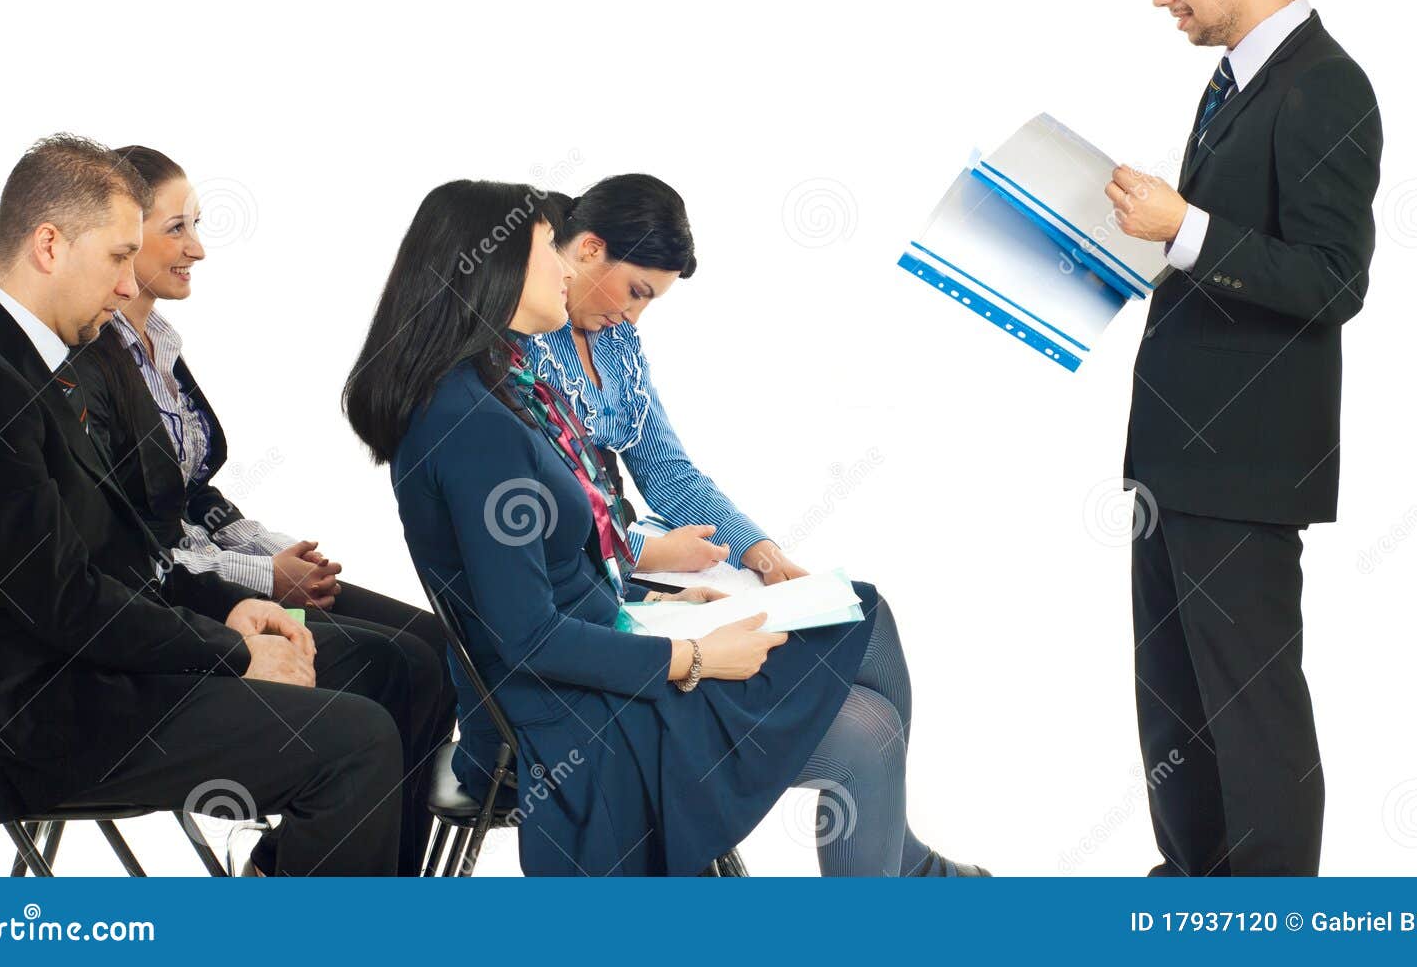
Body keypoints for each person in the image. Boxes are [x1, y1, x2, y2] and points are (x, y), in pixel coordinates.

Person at [345, 179, 987, 877]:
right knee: (865, 732)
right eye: (547, 252)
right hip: (574, 719)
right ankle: (908, 889)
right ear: (492, 267)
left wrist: (662, 603)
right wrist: (696, 656)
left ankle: (908, 871)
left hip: (604, 658)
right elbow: (529, 637)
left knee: (863, 613)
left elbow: (562, 559)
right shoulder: (478, 422)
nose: (564, 265)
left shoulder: (496, 386)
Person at [0, 134, 409, 875]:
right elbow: (67, 601)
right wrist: (231, 651)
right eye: (120, 257)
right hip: (38, 720)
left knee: (389, 673)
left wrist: (226, 611)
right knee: (357, 745)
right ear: (50, 245)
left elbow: (114, 554)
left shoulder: (26, 362)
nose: (129, 287)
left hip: (86, 675)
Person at [1106, 0, 1382, 875]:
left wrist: (1185, 231)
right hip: (1175, 456)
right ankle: (1192, 891)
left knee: (1249, 706)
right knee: (1173, 696)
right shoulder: (1234, 82)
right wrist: (1149, 243)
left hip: (1244, 462)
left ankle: (1270, 918)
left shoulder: (1325, 87)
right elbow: (1231, 254)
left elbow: (1330, 279)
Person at [73, 146, 456, 870]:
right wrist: (259, 577)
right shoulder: (89, 367)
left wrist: (278, 553)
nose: (198, 247)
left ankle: (356, 879)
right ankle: (311, 878)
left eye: (199, 224)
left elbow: (193, 495)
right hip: (183, 602)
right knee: (397, 672)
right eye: (175, 228)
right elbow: (144, 540)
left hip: (221, 566)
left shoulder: (159, 347)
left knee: (434, 646)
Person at [524, 174, 807, 584]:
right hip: (561, 577)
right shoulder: (523, 335)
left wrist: (757, 549)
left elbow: (666, 471)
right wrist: (646, 553)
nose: (633, 315)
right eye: (636, 291)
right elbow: (521, 500)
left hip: (607, 564)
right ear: (590, 249)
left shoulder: (617, 343)